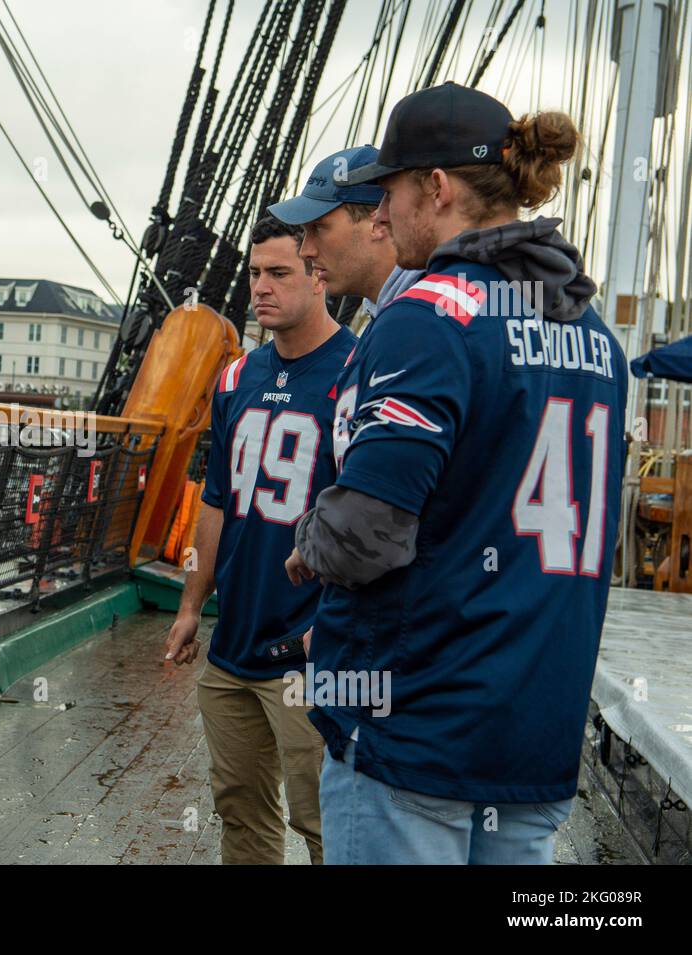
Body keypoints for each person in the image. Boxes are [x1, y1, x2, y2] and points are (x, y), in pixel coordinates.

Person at [284, 82, 627, 864]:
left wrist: (312, 543)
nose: (379, 218)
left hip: (415, 725)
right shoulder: (596, 337)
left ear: (435, 189)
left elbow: (365, 533)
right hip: (535, 731)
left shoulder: (428, 315)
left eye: (390, 194)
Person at [164, 216, 354, 864]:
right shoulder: (235, 378)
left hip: (308, 651)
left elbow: (377, 519)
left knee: (327, 823)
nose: (260, 288)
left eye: (279, 272)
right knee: (240, 813)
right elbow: (217, 499)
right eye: (254, 273)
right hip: (231, 646)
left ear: (317, 274)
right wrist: (193, 607)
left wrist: (331, 624)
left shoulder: (357, 374)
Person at [269, 143, 424, 476]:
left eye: (319, 228)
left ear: (378, 221)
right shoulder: (390, 322)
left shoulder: (418, 331)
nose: (306, 250)